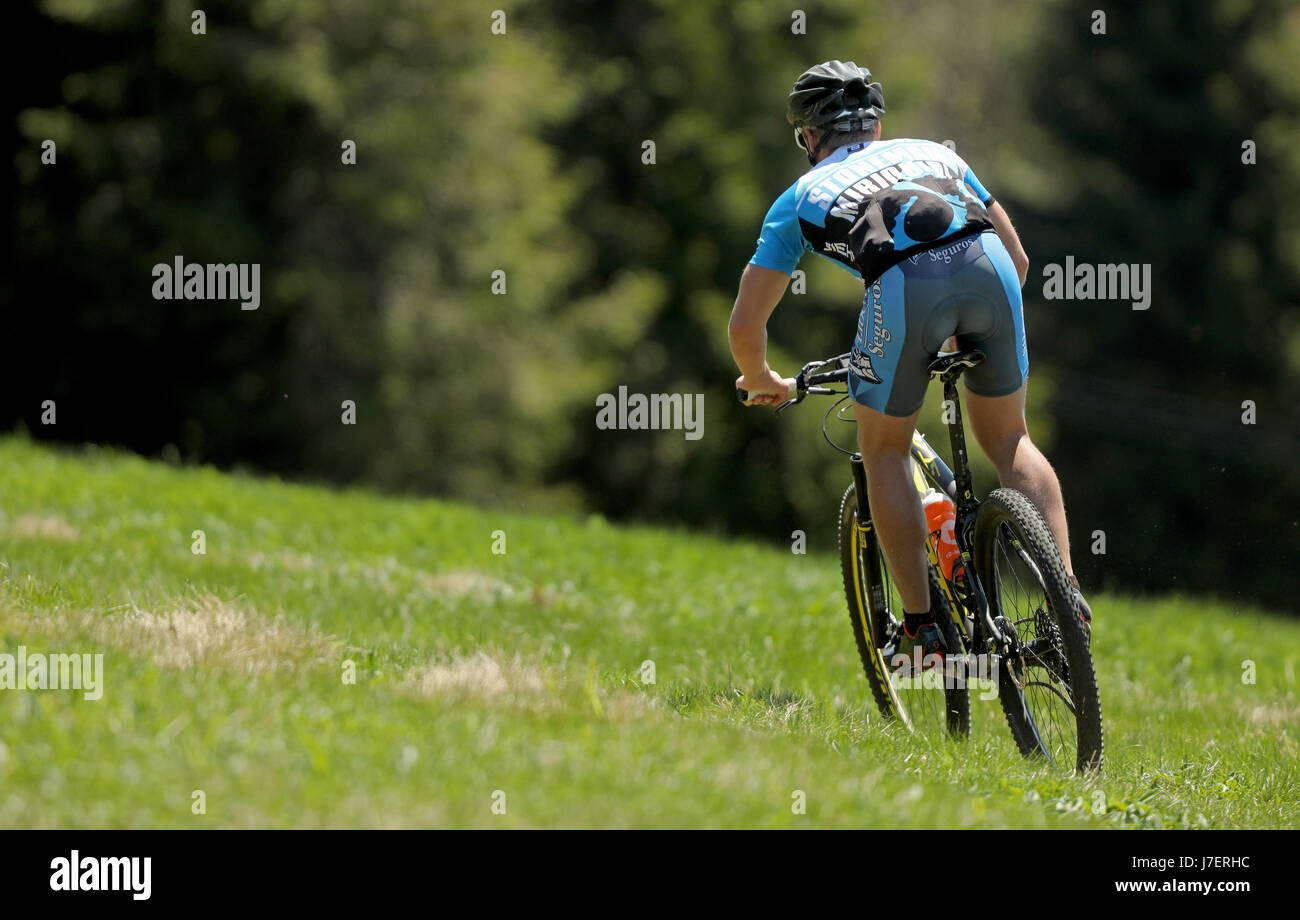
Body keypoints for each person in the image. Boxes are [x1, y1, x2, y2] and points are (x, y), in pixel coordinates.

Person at [728, 60, 1091, 668]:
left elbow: (745, 325)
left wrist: (763, 379)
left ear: (809, 139)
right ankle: (1068, 600)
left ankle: (924, 633)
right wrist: (961, 333)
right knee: (1010, 439)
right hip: (990, 267)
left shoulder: (798, 198)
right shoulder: (936, 153)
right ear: (876, 125)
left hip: (902, 288)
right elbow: (1020, 260)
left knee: (886, 450)